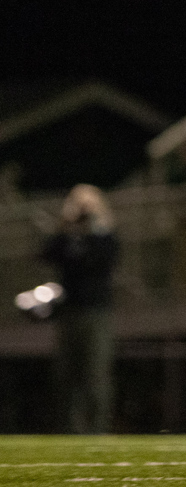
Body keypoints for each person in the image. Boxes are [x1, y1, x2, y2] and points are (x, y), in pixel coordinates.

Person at [39, 185, 118, 434]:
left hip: (95, 312)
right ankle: (70, 430)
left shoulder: (104, 236)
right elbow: (46, 253)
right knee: (66, 374)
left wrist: (94, 228)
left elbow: (105, 259)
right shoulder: (67, 236)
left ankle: (98, 429)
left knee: (96, 374)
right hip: (69, 312)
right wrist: (66, 226)